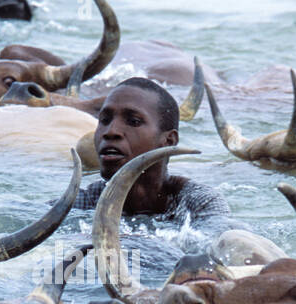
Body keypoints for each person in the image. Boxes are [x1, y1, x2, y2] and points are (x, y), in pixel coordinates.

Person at [73, 78, 235, 232]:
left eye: (134, 121)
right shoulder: (83, 202)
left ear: (168, 141)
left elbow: (223, 244)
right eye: (105, 120)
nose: (110, 132)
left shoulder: (199, 204)